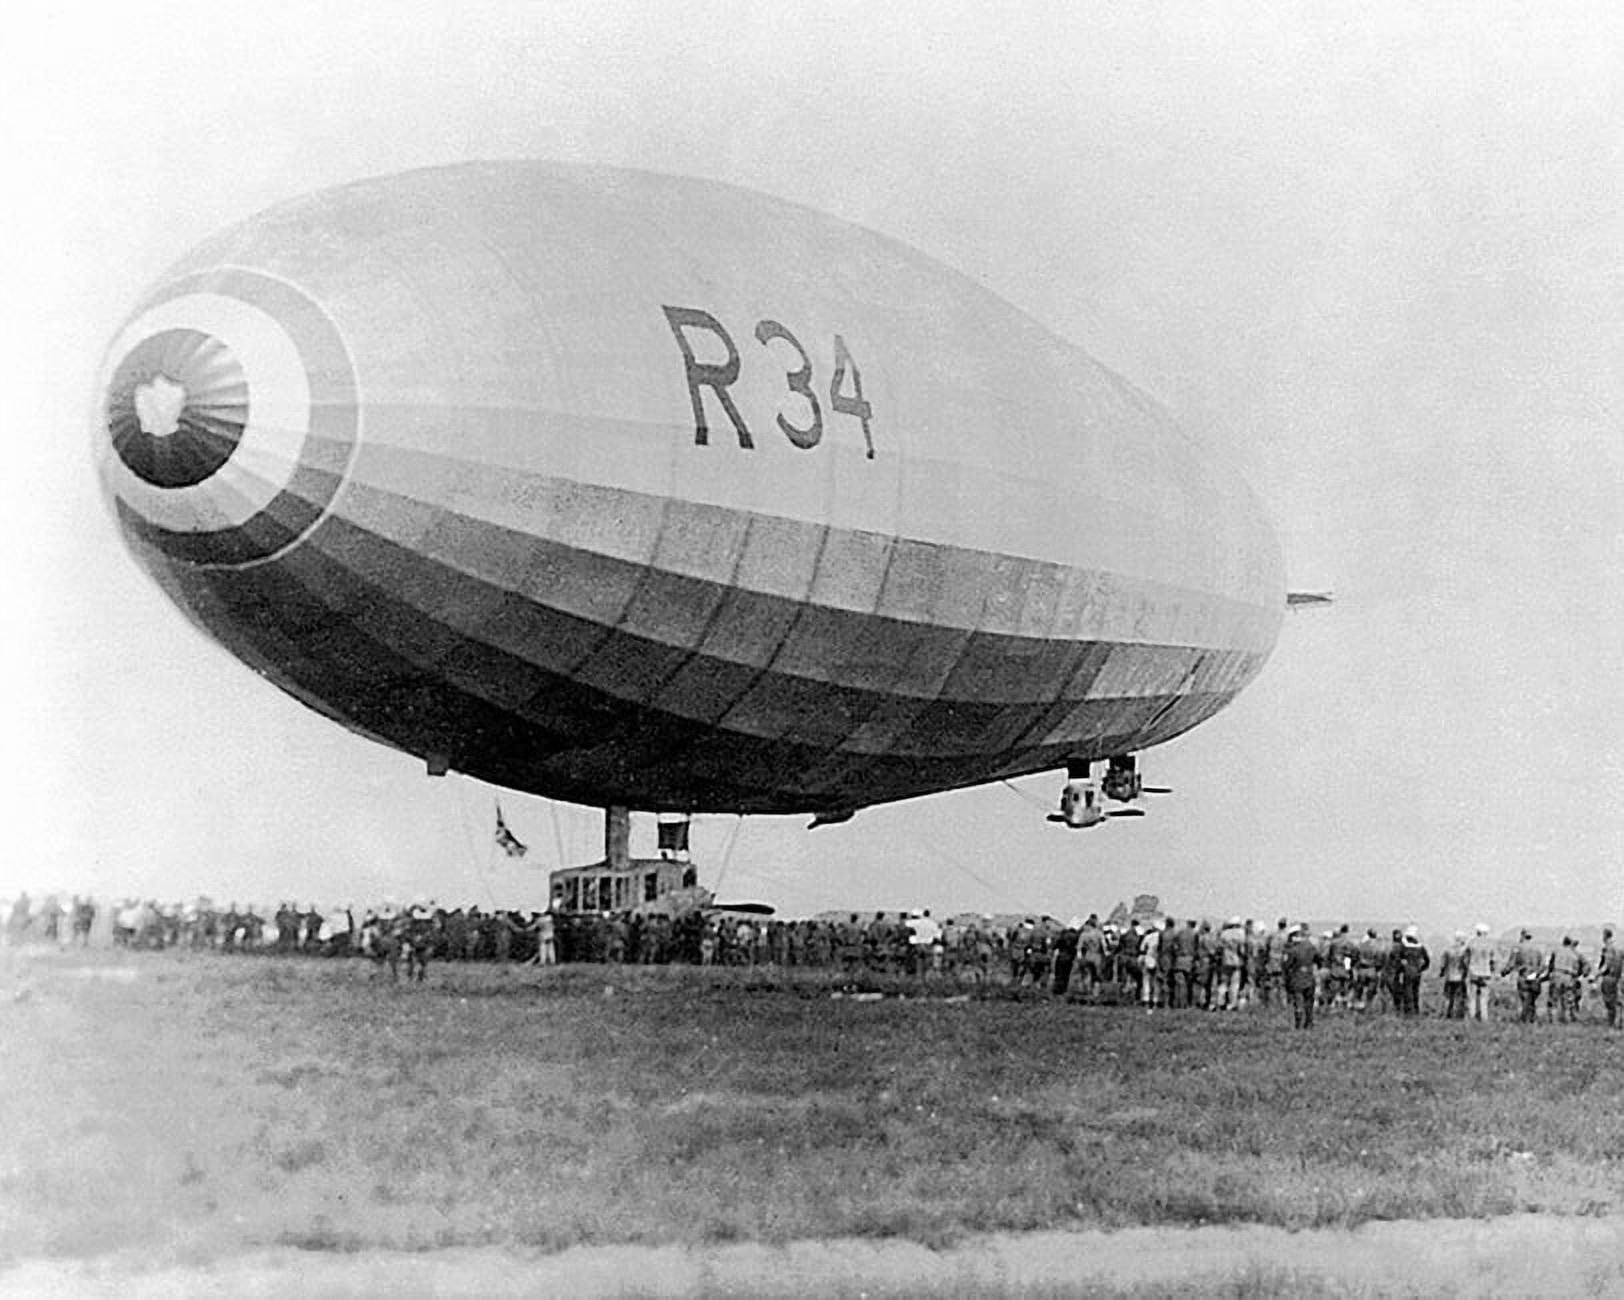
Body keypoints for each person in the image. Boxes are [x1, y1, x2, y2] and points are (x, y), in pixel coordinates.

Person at [1281, 923, 1320, 1029]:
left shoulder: (1291, 950)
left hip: (1296, 979)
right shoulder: (1311, 946)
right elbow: (1319, 959)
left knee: (1298, 1003)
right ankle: (1309, 1023)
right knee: (1309, 1002)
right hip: (1309, 977)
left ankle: (1298, 1025)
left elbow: (1286, 965)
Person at [1506, 929, 1546, 1023]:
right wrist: (1536, 974)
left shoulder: (1517, 948)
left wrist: (1504, 972)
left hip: (1523, 977)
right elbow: (1543, 966)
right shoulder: (1538, 949)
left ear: (1522, 936)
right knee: (1532, 1001)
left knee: (1524, 1000)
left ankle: (1525, 1020)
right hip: (1535, 978)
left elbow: (1511, 964)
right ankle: (1532, 1020)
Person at [1464, 923, 1497, 1022]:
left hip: (1473, 973)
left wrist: (1468, 969)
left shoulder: (1471, 943)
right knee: (1484, 998)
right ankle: (1484, 1017)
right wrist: (1491, 970)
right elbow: (1493, 960)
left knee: (1472, 997)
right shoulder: (1491, 944)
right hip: (1486, 973)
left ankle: (1472, 1017)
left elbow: (1465, 959)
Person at [1397, 925, 1431, 1016]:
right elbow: (1427, 960)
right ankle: (1416, 1010)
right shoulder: (1420, 946)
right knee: (1415, 992)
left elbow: (1398, 958)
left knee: (1407, 992)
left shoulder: (1404, 946)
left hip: (1407, 972)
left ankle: (1408, 1012)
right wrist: (1422, 968)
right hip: (1417, 972)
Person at [1438, 931, 1469, 1020]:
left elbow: (1443, 964)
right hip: (1460, 977)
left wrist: (1442, 973)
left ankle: (1447, 1014)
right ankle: (1459, 1015)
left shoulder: (1448, 950)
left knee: (1448, 997)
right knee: (1460, 997)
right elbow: (1465, 964)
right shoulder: (1464, 951)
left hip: (1449, 977)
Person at [1595, 928, 1621, 1030]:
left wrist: (1596, 975)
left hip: (1609, 977)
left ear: (1605, 936)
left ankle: (1612, 1023)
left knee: (1609, 1002)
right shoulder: (1619, 948)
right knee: (1617, 1001)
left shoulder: (1609, 948)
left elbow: (1606, 965)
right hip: (1618, 977)